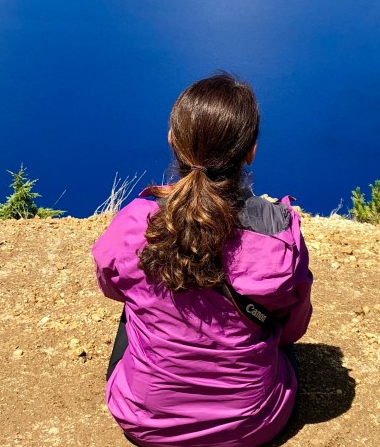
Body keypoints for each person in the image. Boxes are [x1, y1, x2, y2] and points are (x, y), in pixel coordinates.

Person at [92, 73, 313, 447]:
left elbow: (111, 287)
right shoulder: (280, 236)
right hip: (251, 424)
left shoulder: (135, 225)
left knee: (132, 306)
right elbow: (292, 327)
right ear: (250, 151)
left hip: (146, 423)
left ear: (173, 141)